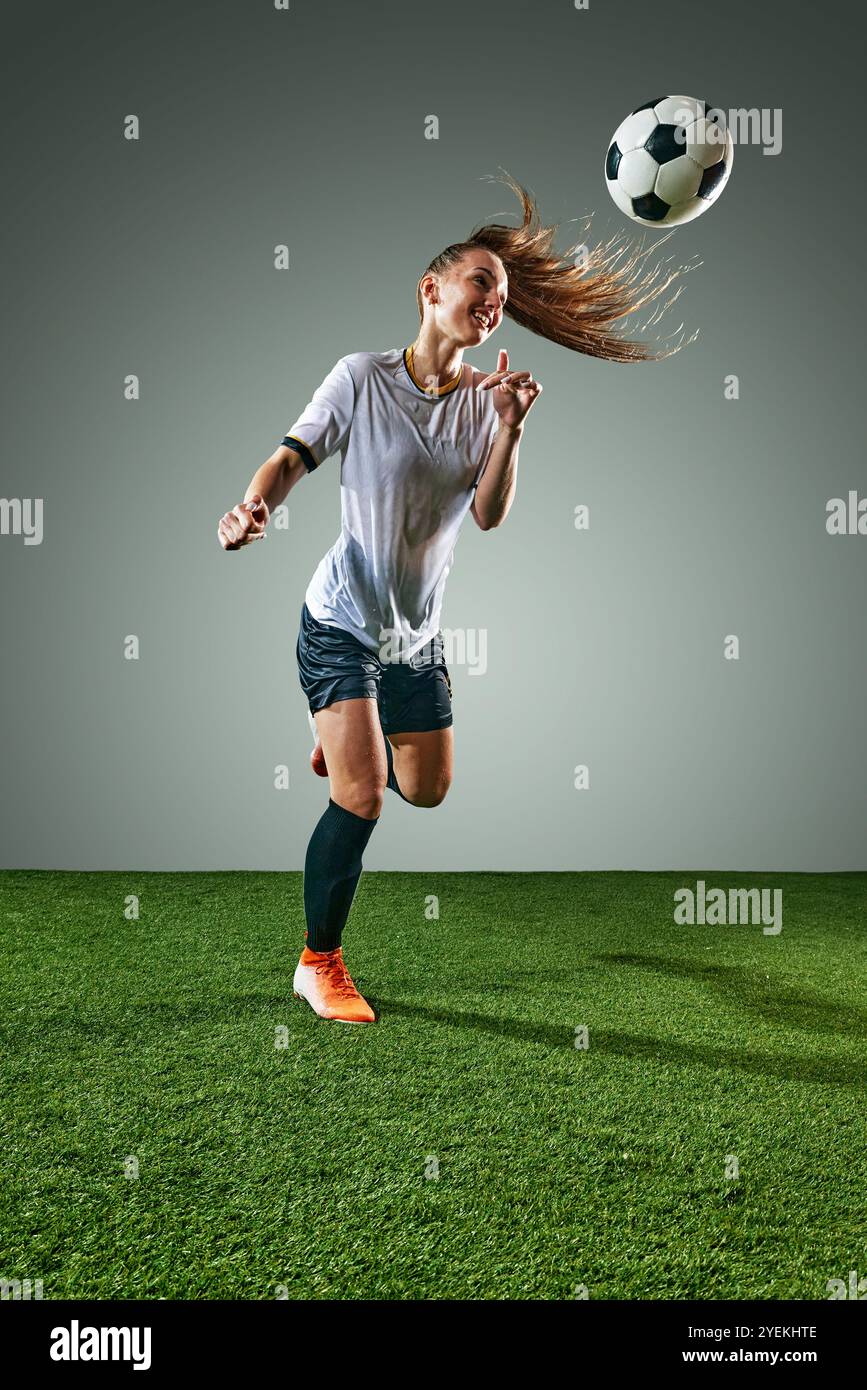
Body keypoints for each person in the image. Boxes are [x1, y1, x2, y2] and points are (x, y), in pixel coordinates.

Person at [217, 172, 696, 1023]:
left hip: (416, 636)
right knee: (360, 798)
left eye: (503, 296)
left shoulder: (486, 402)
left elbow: (487, 515)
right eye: (481, 282)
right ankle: (318, 963)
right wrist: (256, 505)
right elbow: (291, 455)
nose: (493, 302)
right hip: (340, 619)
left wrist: (510, 429)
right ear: (430, 289)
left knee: (428, 791)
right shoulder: (359, 377)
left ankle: (343, 731)